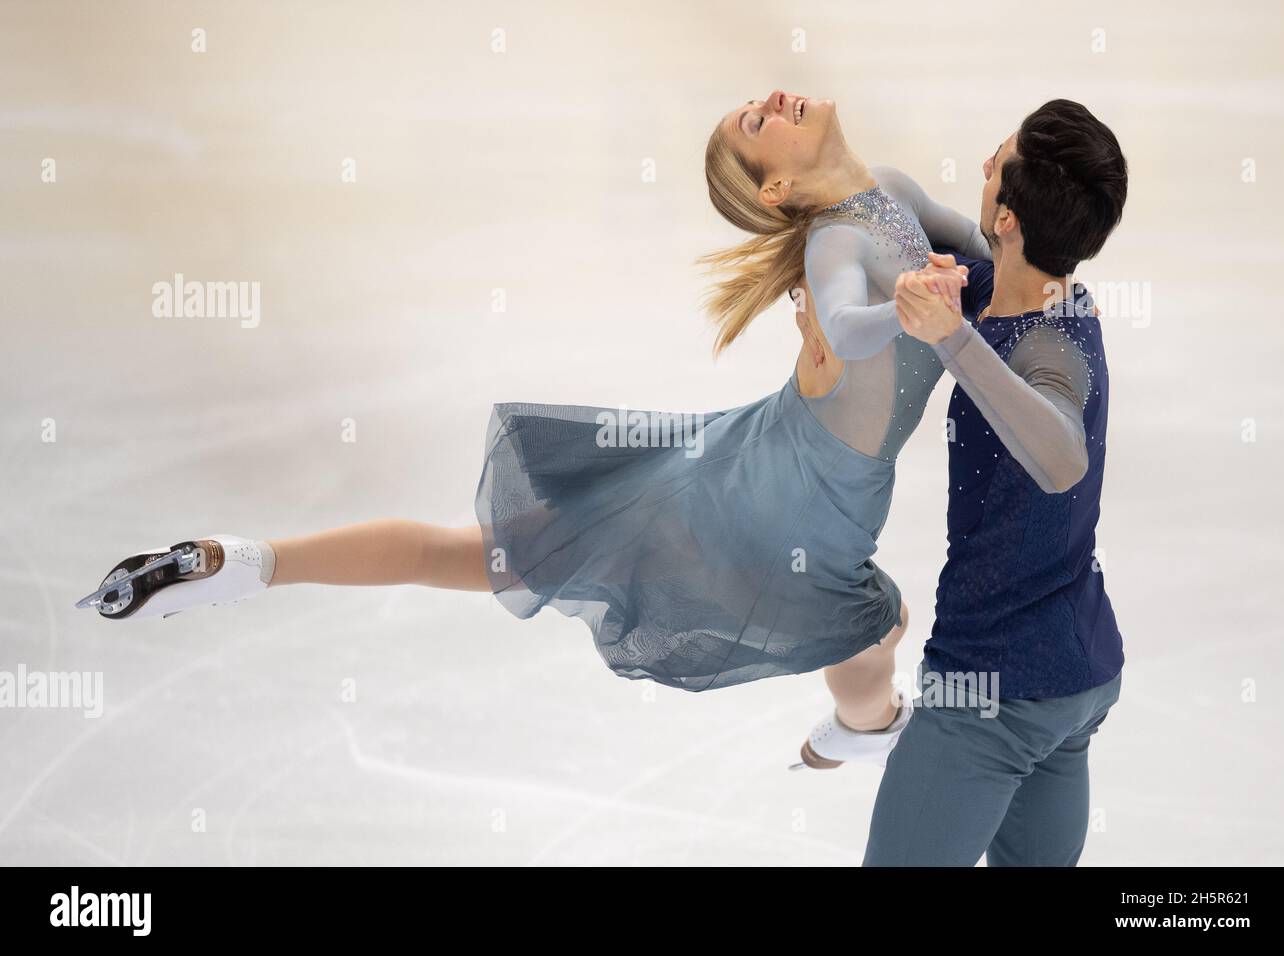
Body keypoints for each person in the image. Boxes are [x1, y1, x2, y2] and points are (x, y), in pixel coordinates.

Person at [76, 90, 983, 770]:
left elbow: (978, 261)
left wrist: (1009, 276)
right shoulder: (834, 245)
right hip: (796, 511)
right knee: (877, 625)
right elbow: (854, 315)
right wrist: (911, 309)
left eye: (755, 109)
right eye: (755, 126)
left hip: (736, 473)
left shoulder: (888, 198)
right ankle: (864, 734)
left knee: (473, 556)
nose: (768, 102)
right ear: (779, 186)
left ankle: (251, 561)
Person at [859, 99, 1128, 866]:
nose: (982, 166)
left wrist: (951, 339)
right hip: (1073, 680)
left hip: (992, 690)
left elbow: (1061, 456)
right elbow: (901, 202)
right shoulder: (1008, 287)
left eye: (995, 159)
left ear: (1008, 217)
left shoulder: (1052, 342)